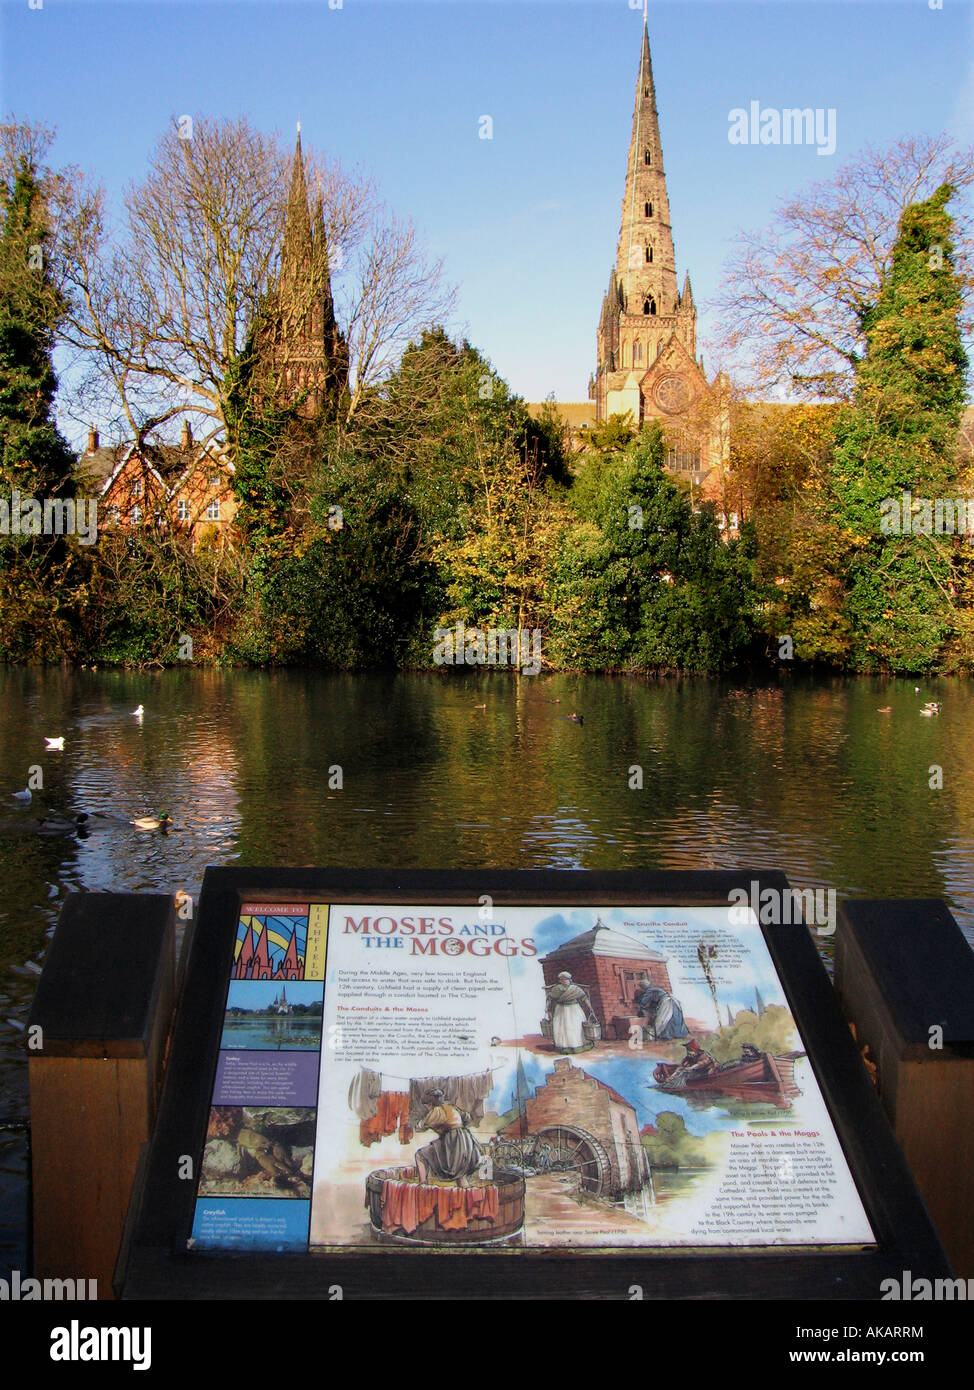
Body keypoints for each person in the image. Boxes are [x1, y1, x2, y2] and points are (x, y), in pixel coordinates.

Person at [414, 1089, 483, 1188]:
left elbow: (421, 1126)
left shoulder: (437, 1111)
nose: (427, 1107)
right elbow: (467, 1117)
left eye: (427, 1105)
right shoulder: (451, 1107)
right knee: (461, 1174)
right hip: (465, 1140)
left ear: (430, 1103)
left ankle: (422, 1186)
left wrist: (417, 1125)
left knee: (420, 1155)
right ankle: (467, 1197)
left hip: (453, 1141)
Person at [544, 972, 595, 1052]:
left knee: (575, 1027)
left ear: (569, 980)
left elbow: (584, 998)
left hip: (574, 1009)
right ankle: (563, 1046)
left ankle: (578, 1045)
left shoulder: (575, 989)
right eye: (562, 979)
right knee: (562, 1028)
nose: (563, 981)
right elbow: (549, 999)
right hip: (561, 1010)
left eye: (565, 979)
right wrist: (546, 1008)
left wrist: (590, 1008)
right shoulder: (557, 989)